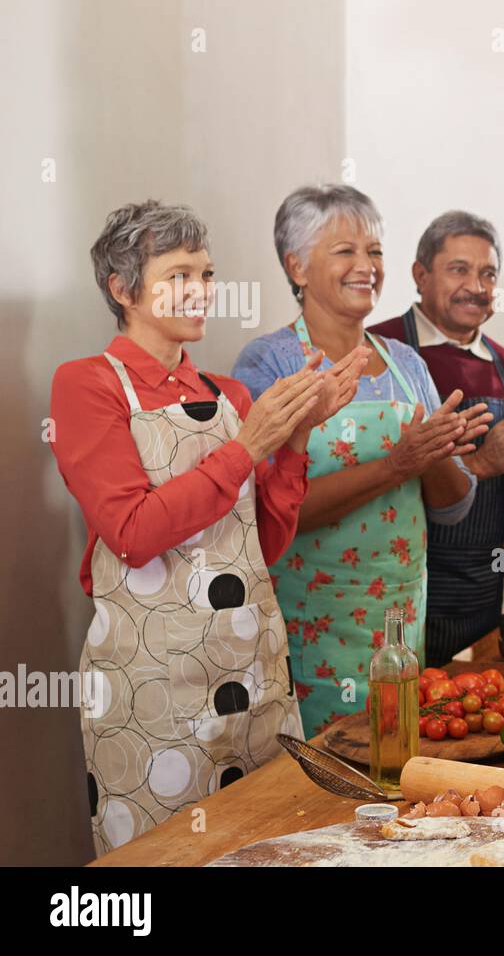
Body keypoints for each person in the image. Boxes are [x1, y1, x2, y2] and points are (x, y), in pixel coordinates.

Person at [51, 200, 363, 855]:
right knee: (167, 860)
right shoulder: (87, 387)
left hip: (255, 679)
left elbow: (261, 547)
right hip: (155, 690)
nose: (201, 290)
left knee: (276, 846)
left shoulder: (231, 397)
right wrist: (248, 448)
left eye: (207, 272)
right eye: (179, 274)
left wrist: (298, 435)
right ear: (121, 287)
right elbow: (133, 532)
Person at [234, 186, 484, 736]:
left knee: (394, 768)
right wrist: (396, 465)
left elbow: (454, 505)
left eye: (373, 252)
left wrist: (433, 451)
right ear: (295, 265)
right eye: (345, 251)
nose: (366, 266)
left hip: (398, 616)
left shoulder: (406, 363)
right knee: (320, 781)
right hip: (309, 623)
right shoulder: (270, 363)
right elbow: (273, 513)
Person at [370, 211, 504, 662]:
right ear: (420, 275)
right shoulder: (377, 352)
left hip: (481, 583)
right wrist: (481, 460)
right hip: (393, 577)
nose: (477, 287)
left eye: (488, 274)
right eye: (459, 269)